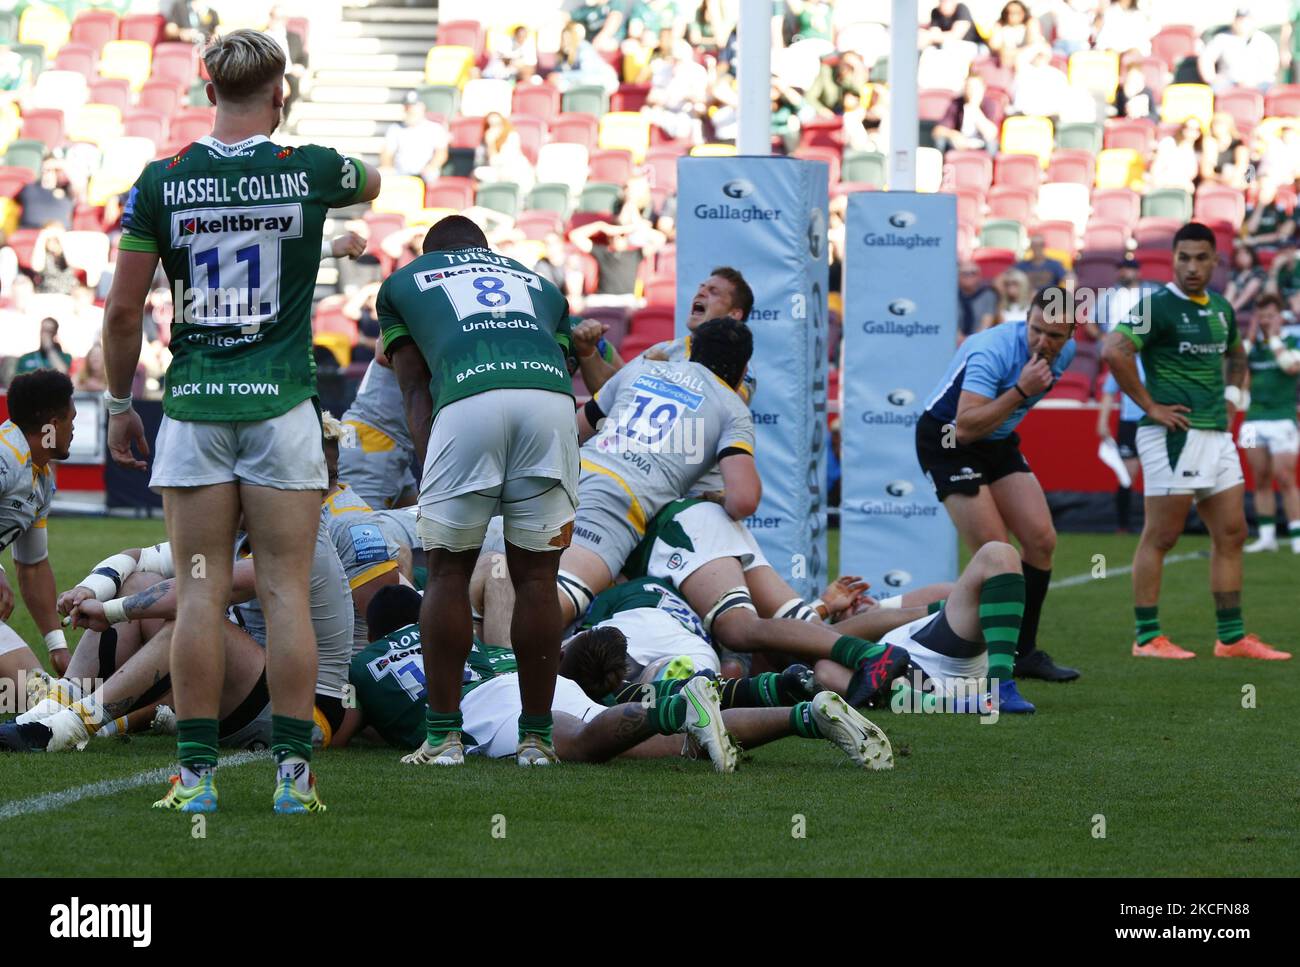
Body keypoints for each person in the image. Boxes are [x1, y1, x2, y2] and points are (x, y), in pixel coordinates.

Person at [102, 28, 382, 814]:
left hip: (193, 406)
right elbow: (376, 179)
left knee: (198, 592)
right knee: (288, 589)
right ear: (279, 95)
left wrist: (122, 404)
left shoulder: (162, 180)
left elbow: (124, 311)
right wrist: (326, 225)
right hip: (283, 404)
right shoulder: (311, 168)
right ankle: (294, 779)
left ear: (206, 91)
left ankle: (195, 779)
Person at [380, 214, 580, 768]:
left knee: (447, 572)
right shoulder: (538, 282)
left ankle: (443, 738)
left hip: (467, 401)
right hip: (549, 402)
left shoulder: (406, 281)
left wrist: (430, 466)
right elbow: (565, 360)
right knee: (538, 579)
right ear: (485, 251)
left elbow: (415, 389)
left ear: (430, 252)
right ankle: (537, 740)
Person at [1101, 222, 1290, 660]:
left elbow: (1238, 356)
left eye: (1201, 258)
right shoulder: (1157, 306)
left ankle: (1231, 638)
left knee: (1232, 531)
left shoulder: (1222, 308)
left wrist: (1232, 397)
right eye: (1183, 257)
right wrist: (1150, 406)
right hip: (1172, 435)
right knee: (1162, 535)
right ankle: (1146, 638)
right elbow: (1113, 349)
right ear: (1172, 259)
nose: (1191, 266)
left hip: (1216, 434)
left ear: (1215, 261)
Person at [916, 285, 1082, 682]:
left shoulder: (1067, 353)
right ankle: (974, 659)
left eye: (1055, 336)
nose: (1043, 342)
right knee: (996, 553)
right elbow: (966, 426)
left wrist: (1015, 398)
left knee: (1041, 540)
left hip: (996, 438)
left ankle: (1023, 653)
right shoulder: (991, 350)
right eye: (1036, 329)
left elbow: (995, 422)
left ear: (1071, 335)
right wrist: (1021, 389)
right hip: (949, 440)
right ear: (1025, 318)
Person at [557, 318, 758, 627]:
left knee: (496, 583)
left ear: (691, 352)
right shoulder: (733, 407)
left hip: (568, 475)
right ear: (743, 371)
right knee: (554, 606)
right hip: (616, 501)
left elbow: (571, 432)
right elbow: (744, 501)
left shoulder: (642, 367)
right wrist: (717, 500)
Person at [0, 371, 75, 688]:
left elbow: (33, 565)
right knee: (42, 698)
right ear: (52, 425)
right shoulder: (5, 457)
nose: (74, 429)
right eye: (71, 419)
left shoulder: (41, 477)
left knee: (39, 694)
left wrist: (57, 645)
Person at [1241, 294, 1300, 554]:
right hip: (1252, 421)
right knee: (1260, 478)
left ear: (1281, 316)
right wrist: (1250, 339)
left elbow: (1291, 367)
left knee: (1285, 477)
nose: (1266, 320)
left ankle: (1297, 535)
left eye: (1271, 315)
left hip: (1282, 419)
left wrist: (1274, 338)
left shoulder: (1292, 340)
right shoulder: (1253, 346)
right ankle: (1266, 536)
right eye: (1262, 316)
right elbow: (1234, 367)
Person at [1096, 357, 1146, 533]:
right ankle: (1123, 525)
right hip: (1129, 423)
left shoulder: (1157, 358)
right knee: (1127, 474)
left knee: (1156, 473)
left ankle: (1155, 524)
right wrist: (1102, 422)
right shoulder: (1123, 361)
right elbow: (1109, 392)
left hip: (1154, 422)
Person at [1198, 9, 1280, 92]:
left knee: (1272, 90)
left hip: (1259, 82)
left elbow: (1273, 66)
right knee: (1216, 88)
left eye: (1246, 20)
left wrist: (1254, 80)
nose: (1243, 24)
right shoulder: (1222, 38)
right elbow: (1206, 59)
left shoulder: (1264, 40)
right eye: (1240, 20)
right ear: (1234, 21)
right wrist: (1212, 78)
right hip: (1230, 82)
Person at [380, 92, 450, 183]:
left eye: (414, 106)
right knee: (381, 174)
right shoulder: (395, 129)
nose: (411, 110)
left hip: (424, 172)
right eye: (408, 106)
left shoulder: (435, 128)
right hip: (400, 171)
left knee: (431, 175)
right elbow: (387, 154)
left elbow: (441, 154)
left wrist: (431, 166)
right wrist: (387, 167)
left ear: (422, 107)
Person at [932, 74, 1000, 154]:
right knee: (940, 141)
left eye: (975, 88)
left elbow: (991, 133)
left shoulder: (990, 104)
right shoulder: (956, 104)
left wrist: (974, 109)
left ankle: (988, 165)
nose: (972, 91)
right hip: (959, 142)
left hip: (982, 143)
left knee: (992, 144)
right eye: (969, 87)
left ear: (983, 88)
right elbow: (937, 130)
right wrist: (953, 134)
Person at [16, 157, 75, 230]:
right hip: (30, 233)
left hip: (60, 235)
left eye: (50, 171)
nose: (45, 174)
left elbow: (79, 187)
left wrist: (62, 165)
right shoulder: (29, 189)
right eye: (44, 171)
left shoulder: (67, 192)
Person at [958, 260, 998, 338]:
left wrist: (972, 341)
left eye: (973, 273)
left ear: (979, 276)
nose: (969, 276)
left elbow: (986, 323)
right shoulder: (952, 296)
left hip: (980, 339)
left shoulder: (988, 294)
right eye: (965, 273)